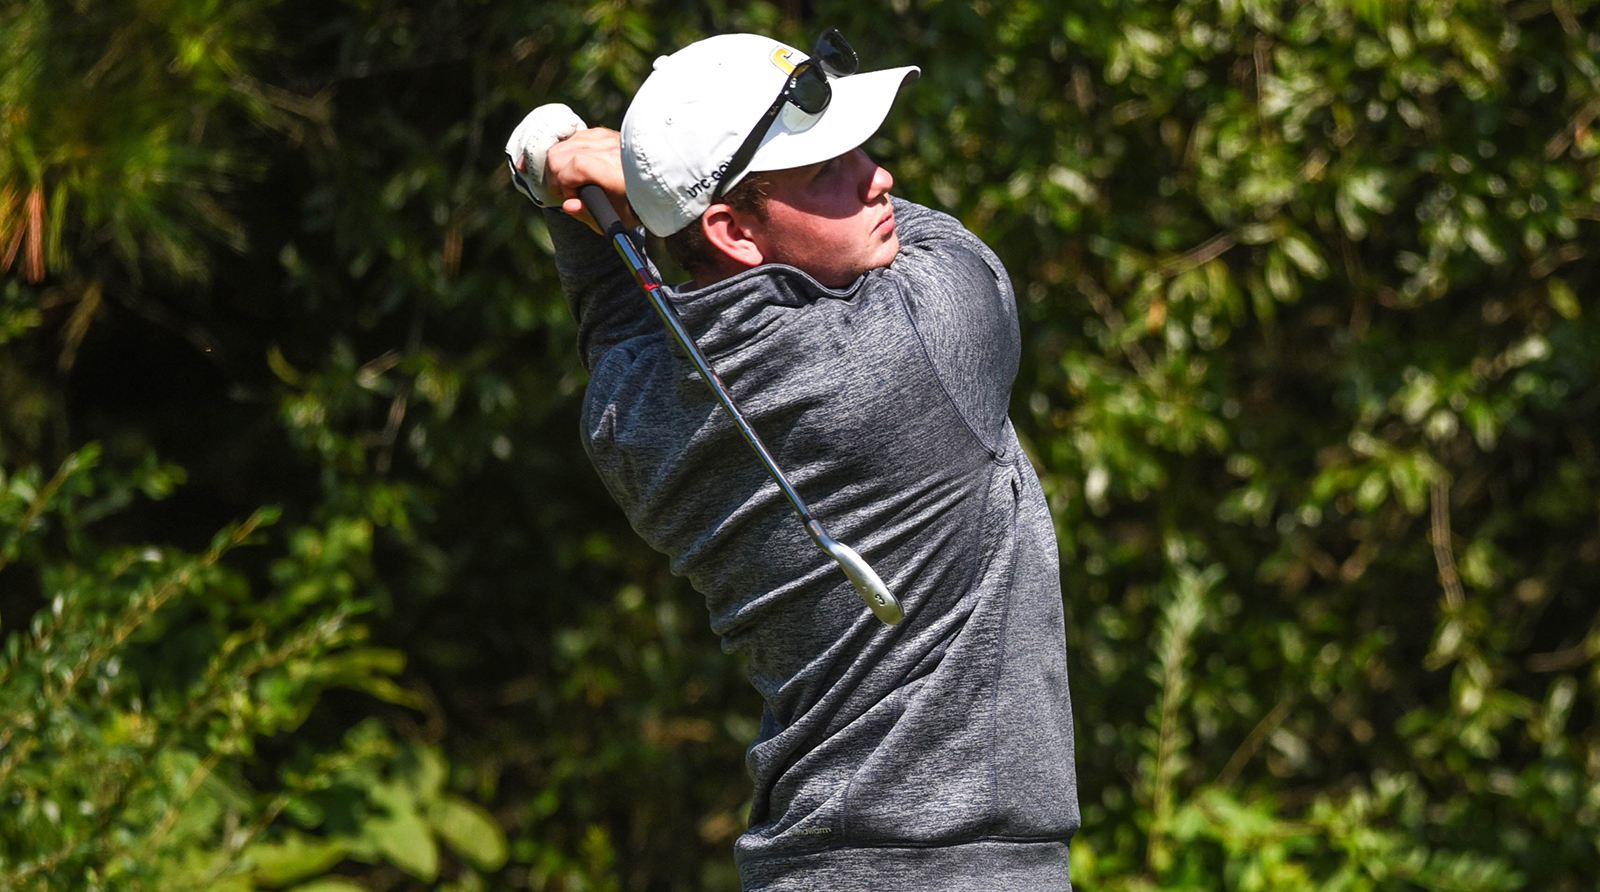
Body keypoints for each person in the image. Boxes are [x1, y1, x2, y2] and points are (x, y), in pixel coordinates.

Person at [507, 30, 1079, 891]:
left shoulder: (627, 407)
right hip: (962, 870)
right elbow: (945, 243)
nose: (876, 177)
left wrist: (577, 184)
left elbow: (615, 306)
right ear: (732, 230)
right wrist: (574, 165)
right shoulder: (921, 344)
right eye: (827, 171)